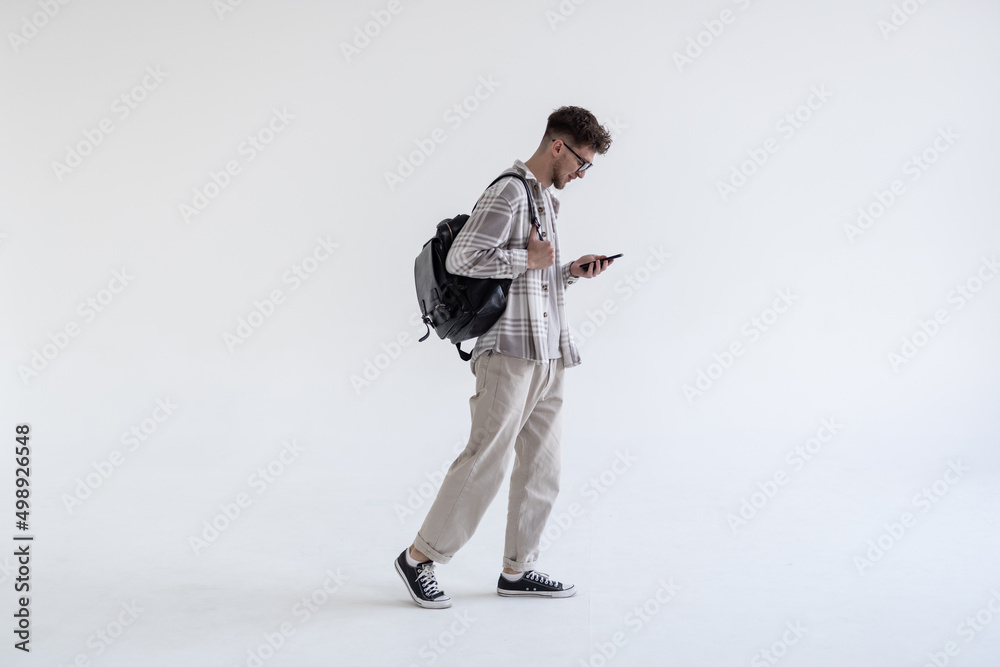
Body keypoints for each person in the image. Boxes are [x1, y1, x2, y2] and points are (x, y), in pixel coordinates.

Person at [395, 106, 615, 609]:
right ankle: (418, 558)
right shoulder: (510, 192)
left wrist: (568, 271)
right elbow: (463, 258)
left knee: (543, 466)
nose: (582, 174)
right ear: (557, 147)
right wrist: (527, 258)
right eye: (582, 162)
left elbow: (531, 277)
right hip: (509, 352)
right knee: (485, 461)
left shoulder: (545, 201)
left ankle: (518, 569)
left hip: (547, 351)